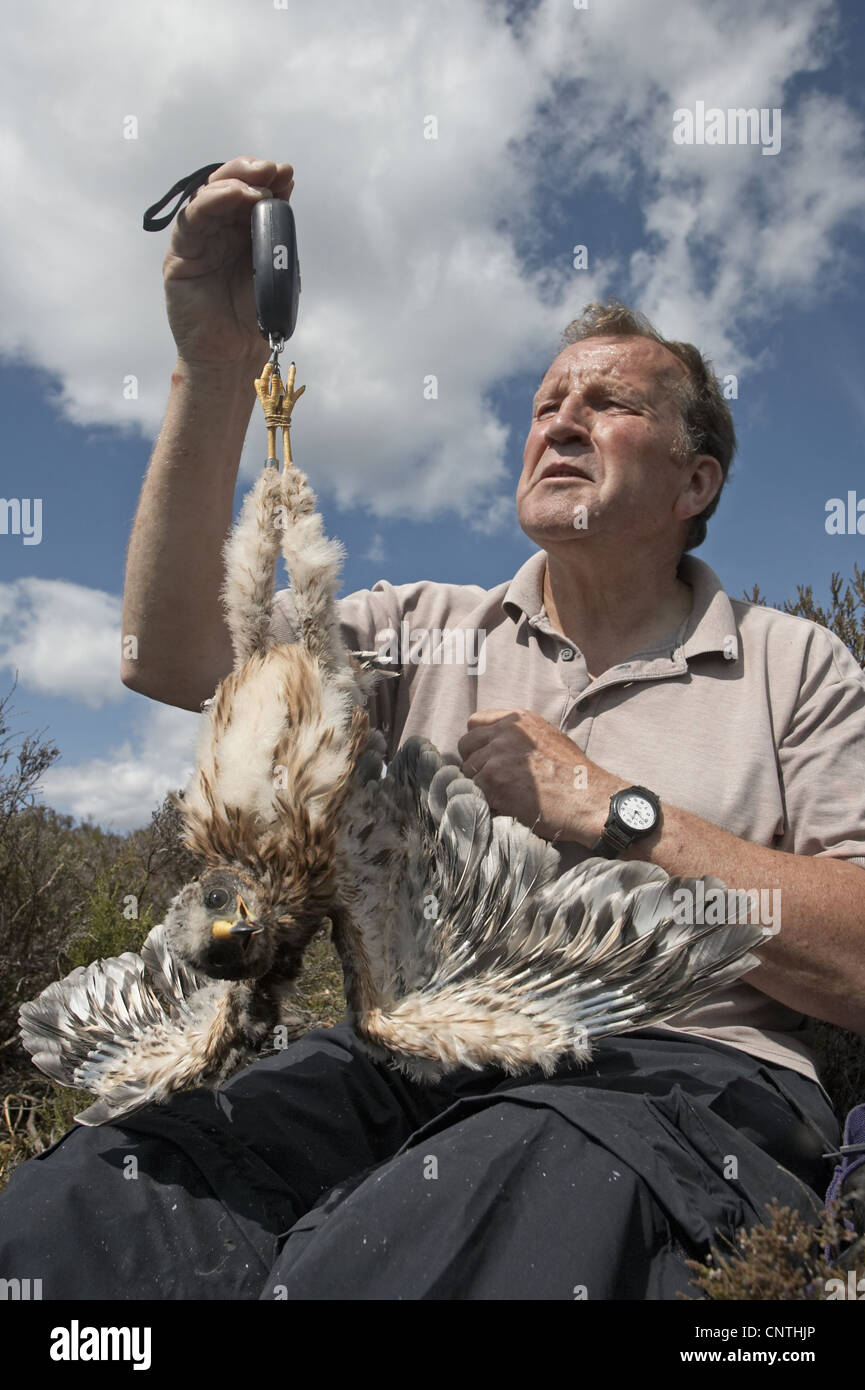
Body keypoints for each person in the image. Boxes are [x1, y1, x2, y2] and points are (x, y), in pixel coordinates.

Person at [1, 156, 864, 1301]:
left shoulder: (795, 661)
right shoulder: (417, 630)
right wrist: (213, 369)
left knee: (471, 1211)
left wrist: (622, 812)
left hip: (681, 1077)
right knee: (112, 1193)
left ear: (693, 478)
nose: (560, 421)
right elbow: (168, 658)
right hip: (407, 1057)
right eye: (547, 402)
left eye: (608, 404)